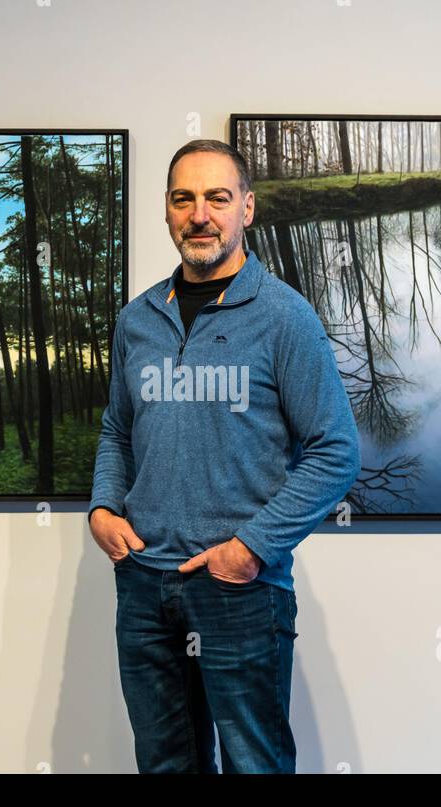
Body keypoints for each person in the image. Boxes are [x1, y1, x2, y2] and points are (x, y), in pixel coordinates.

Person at [89, 138, 361, 773]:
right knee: (165, 765)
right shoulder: (137, 321)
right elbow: (117, 432)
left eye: (217, 197)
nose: (200, 214)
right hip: (143, 584)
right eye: (184, 199)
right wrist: (104, 507)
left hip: (239, 591)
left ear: (247, 208)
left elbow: (335, 449)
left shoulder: (285, 318)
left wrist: (250, 550)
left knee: (254, 765)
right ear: (166, 210)